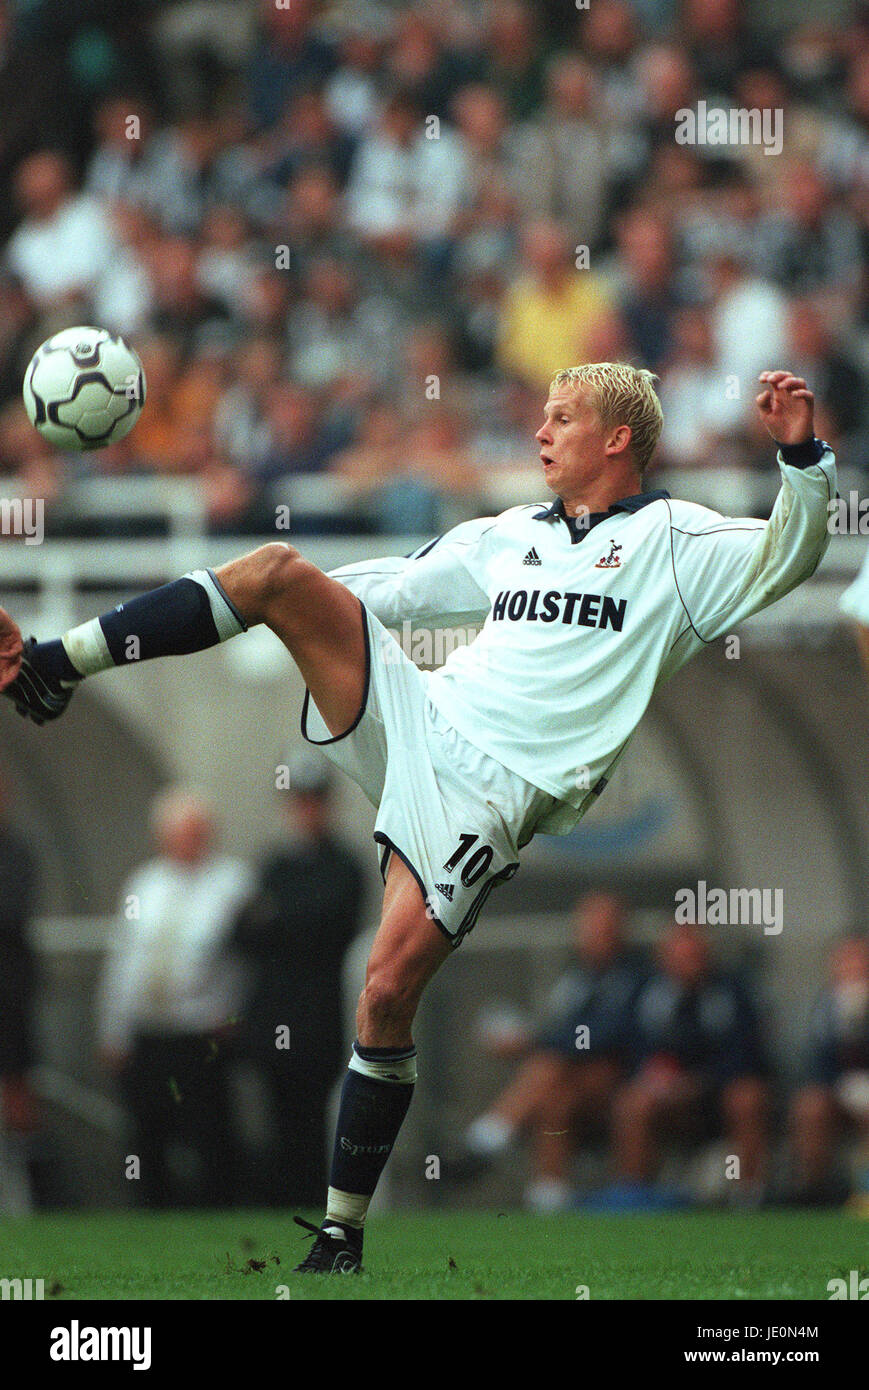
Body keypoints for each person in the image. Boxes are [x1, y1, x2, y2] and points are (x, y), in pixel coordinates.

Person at [0, 363, 835, 1271]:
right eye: (542, 416)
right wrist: (271, 604)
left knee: (386, 992)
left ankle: (339, 1235)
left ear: (617, 438)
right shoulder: (509, 534)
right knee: (278, 572)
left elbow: (783, 556)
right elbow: (391, 588)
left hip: (490, 798)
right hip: (421, 719)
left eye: (561, 418)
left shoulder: (677, 540)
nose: (540, 433)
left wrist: (799, 453)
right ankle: (55, 662)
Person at [95, 789, 253, 1208]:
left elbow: (245, 961)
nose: (188, 841)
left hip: (202, 1032)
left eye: (196, 832)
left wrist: (235, 1017)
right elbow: (122, 960)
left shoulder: (233, 883)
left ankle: (218, 1216)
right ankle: (151, 1215)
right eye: (178, 833)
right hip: (149, 1031)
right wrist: (113, 1029)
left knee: (209, 1131)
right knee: (146, 1133)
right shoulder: (143, 884)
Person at [459, 890, 647, 1210]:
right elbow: (564, 1030)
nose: (594, 935)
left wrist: (532, 1041)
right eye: (588, 927)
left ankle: (490, 1136)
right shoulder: (577, 979)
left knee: (550, 1064)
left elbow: (604, 1037)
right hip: (574, 1083)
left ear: (620, 929)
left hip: (622, 1081)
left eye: (603, 927)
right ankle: (549, 1196)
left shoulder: (636, 977)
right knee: (553, 1094)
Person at [231, 753, 365, 1206]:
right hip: (273, 1012)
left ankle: (313, 1203)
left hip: (318, 1013)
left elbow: (328, 926)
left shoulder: (344, 865)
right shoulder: (275, 865)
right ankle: (278, 1201)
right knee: (276, 1113)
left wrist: (279, 920)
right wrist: (287, 921)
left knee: (313, 1117)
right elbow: (241, 932)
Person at [600, 921, 770, 1209]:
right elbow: (629, 1046)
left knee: (748, 1097)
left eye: (695, 956)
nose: (688, 964)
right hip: (665, 1094)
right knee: (634, 1101)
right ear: (663, 958)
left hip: (718, 1091)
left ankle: (749, 1195)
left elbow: (748, 1052)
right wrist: (656, 1075)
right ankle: (634, 1192)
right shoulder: (644, 993)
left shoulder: (734, 992)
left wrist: (700, 1080)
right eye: (680, 957)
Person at [786, 935, 869, 1207]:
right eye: (847, 960)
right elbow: (812, 1058)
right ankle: (814, 1191)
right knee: (811, 1106)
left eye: (861, 959)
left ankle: (865, 1189)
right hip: (834, 1087)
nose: (855, 966)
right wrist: (840, 1084)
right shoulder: (821, 1005)